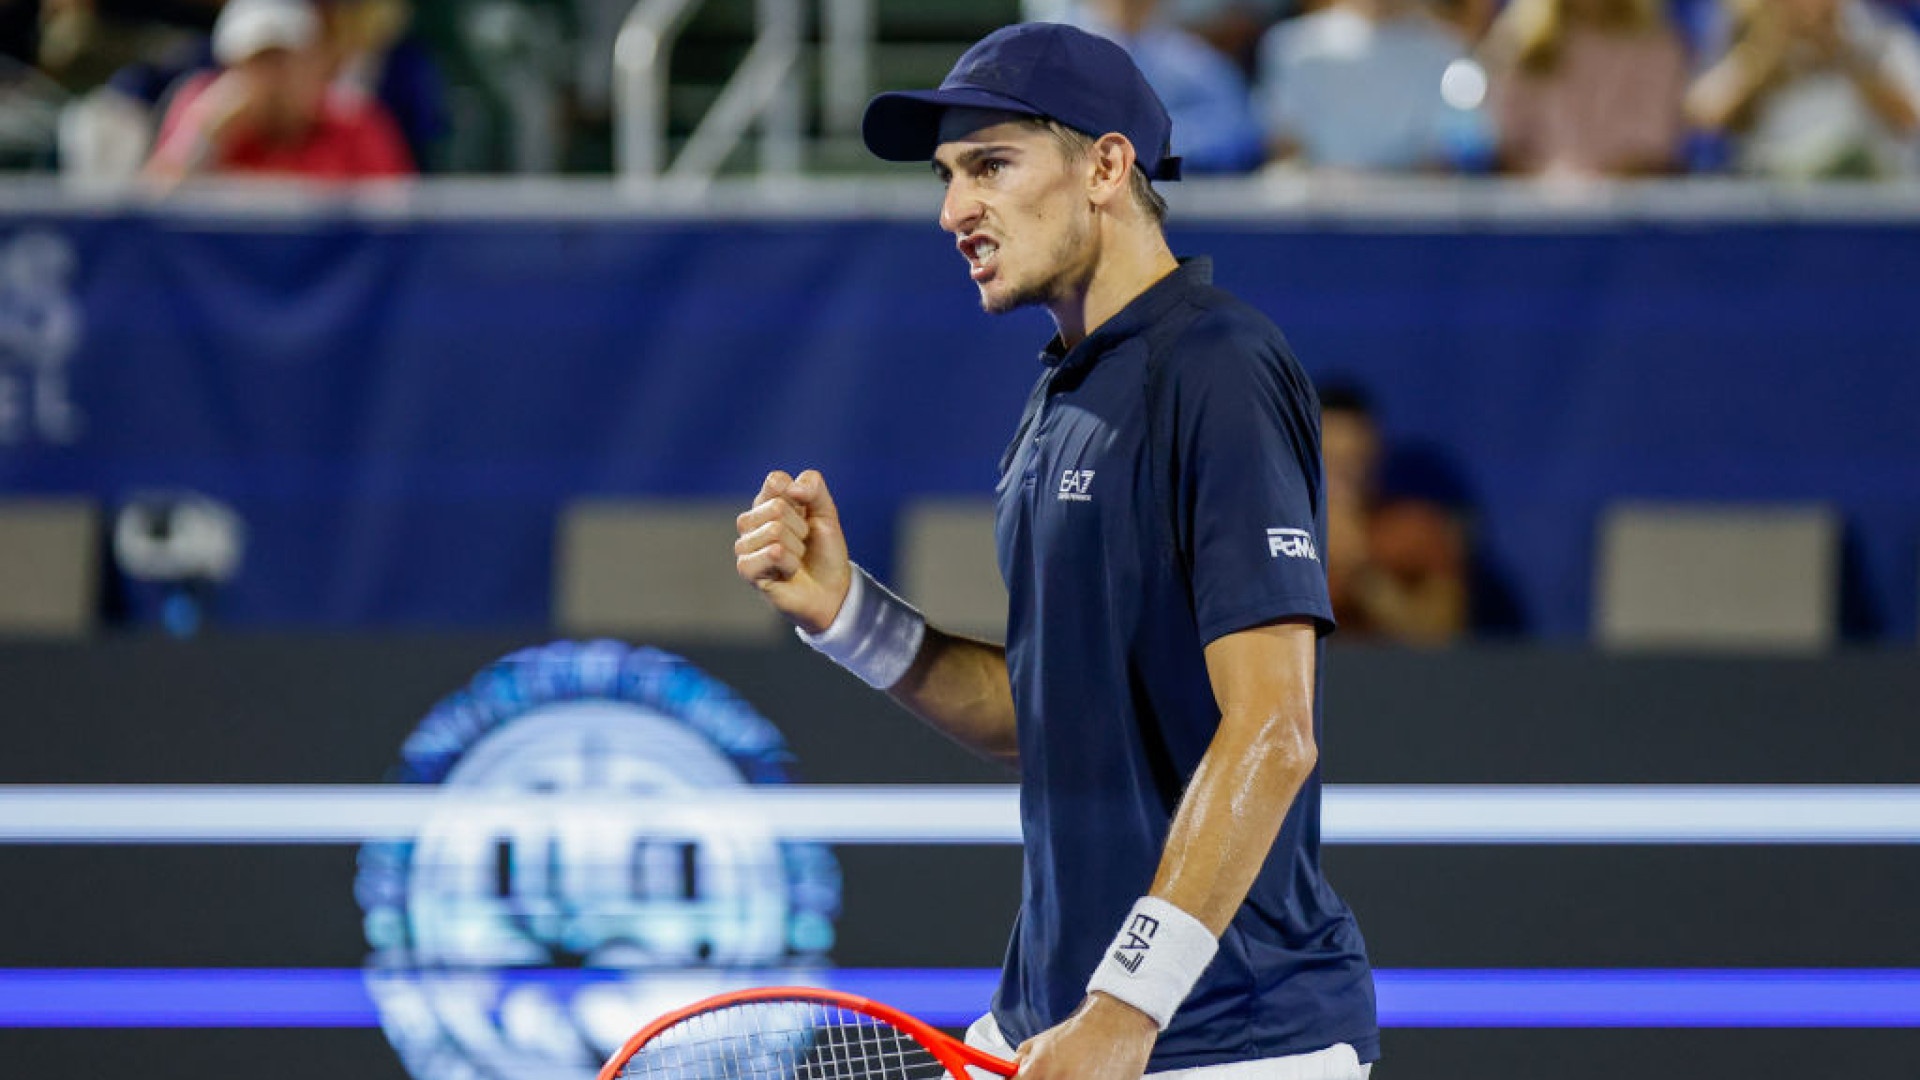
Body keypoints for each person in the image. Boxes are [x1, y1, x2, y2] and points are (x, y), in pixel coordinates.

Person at [735, 22, 1378, 1080]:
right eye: (947, 178)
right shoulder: (1060, 398)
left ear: (1107, 166)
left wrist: (1127, 1008)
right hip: (1056, 1024)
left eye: (990, 165)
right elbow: (1050, 721)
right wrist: (850, 615)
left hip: (1227, 1045)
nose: (954, 211)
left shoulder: (1216, 365)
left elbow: (1274, 731)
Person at [144, 0, 412, 181]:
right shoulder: (200, 108)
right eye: (258, 60)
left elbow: (399, 226)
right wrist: (204, 141)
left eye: (284, 60)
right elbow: (147, 214)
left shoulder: (356, 122)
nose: (273, 77)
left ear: (313, 61)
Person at [1687, 0, 1920, 178]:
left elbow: (1911, 120)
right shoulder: (1750, 37)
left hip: (1868, 201)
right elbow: (1702, 114)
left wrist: (1843, 57)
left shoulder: (1878, 35)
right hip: (1769, 198)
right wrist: (1767, 62)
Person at [1254, 0, 1494, 172]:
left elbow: (1452, 151)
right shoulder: (1292, 47)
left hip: (1411, 227)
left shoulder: (1446, 51)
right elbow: (1284, 145)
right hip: (1314, 226)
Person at [1480, 0, 1690, 178]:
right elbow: (1507, 145)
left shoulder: (1656, 48)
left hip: (1626, 216)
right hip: (1536, 214)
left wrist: (1592, 192)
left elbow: (1652, 151)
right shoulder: (1519, 44)